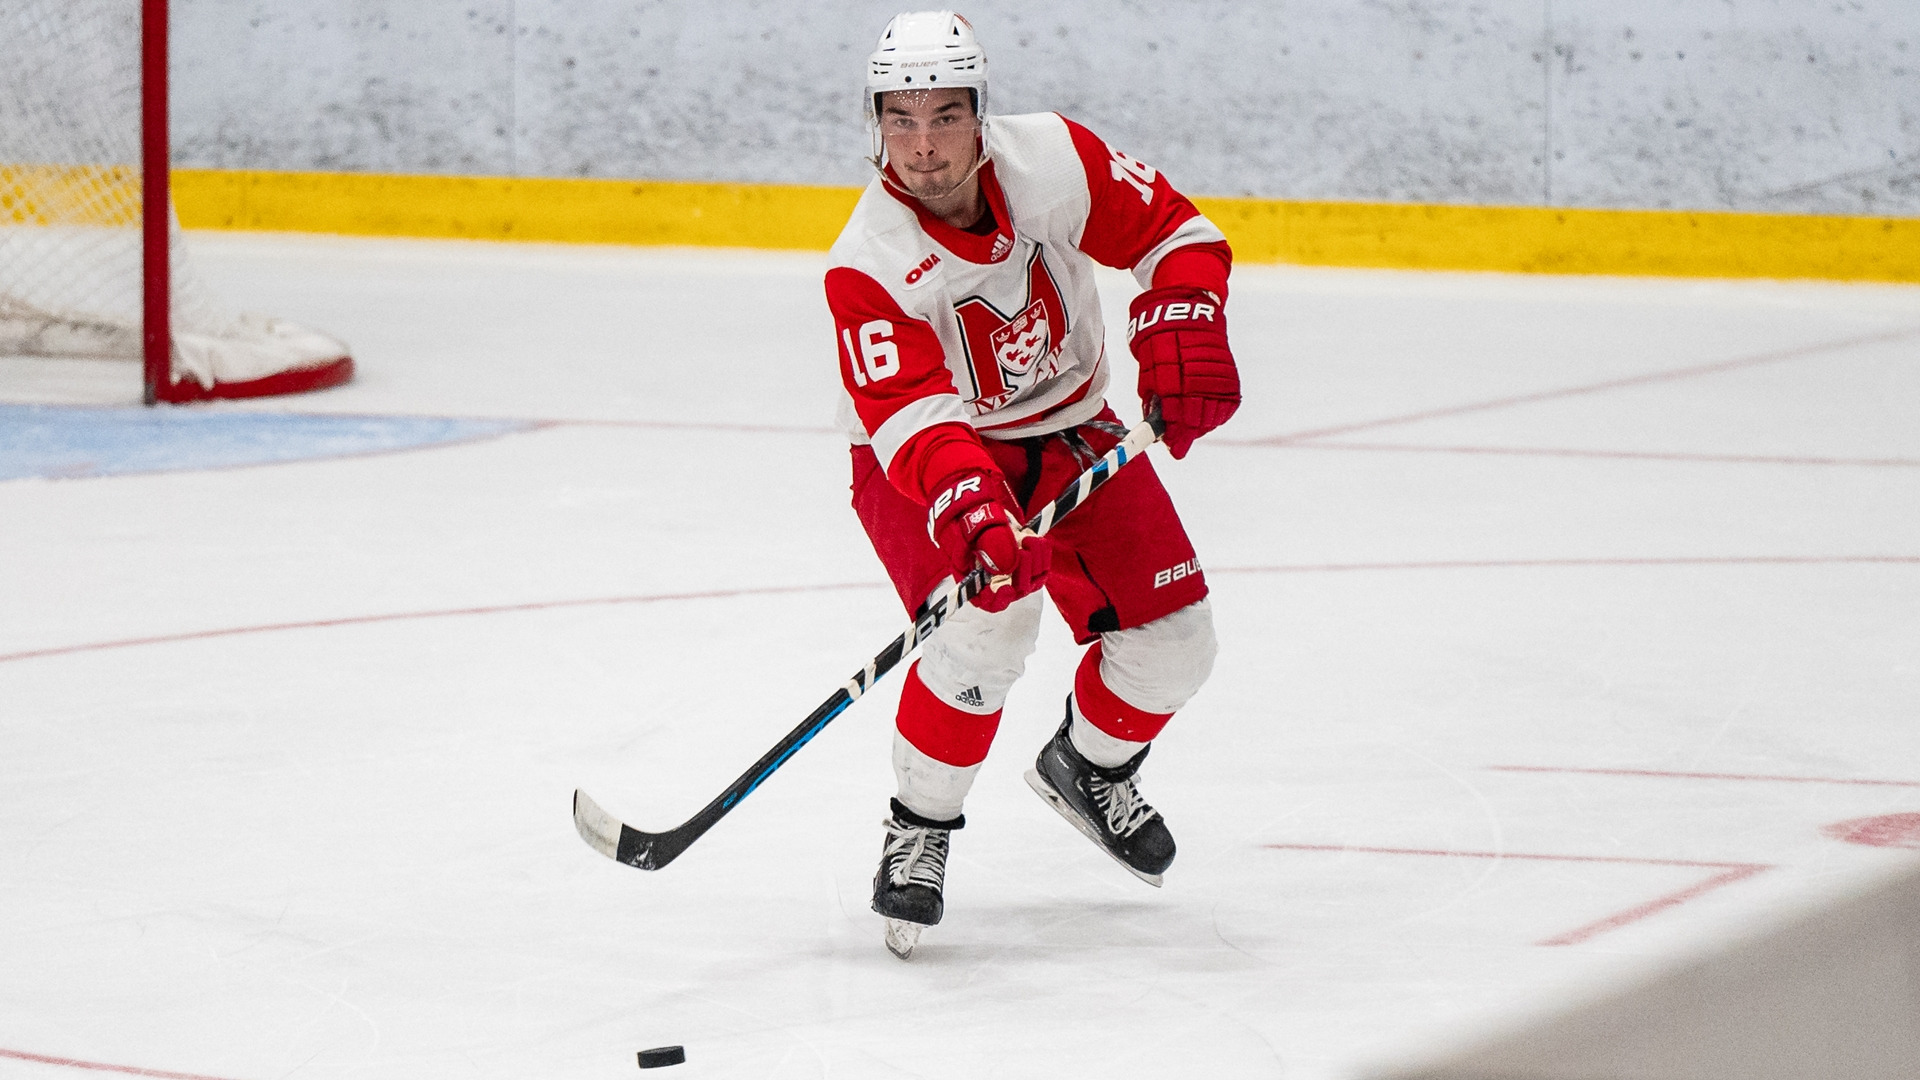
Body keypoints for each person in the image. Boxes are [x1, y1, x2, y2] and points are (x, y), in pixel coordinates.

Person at [825, 10, 1240, 958]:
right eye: (899, 119)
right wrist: (973, 508)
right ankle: (919, 828)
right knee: (987, 626)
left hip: (1072, 427)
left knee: (1177, 645)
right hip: (922, 457)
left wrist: (1185, 320)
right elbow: (914, 418)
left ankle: (1088, 769)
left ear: (981, 113)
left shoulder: (1053, 159)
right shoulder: (869, 263)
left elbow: (1177, 231)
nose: (922, 147)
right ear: (875, 122)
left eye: (943, 116)